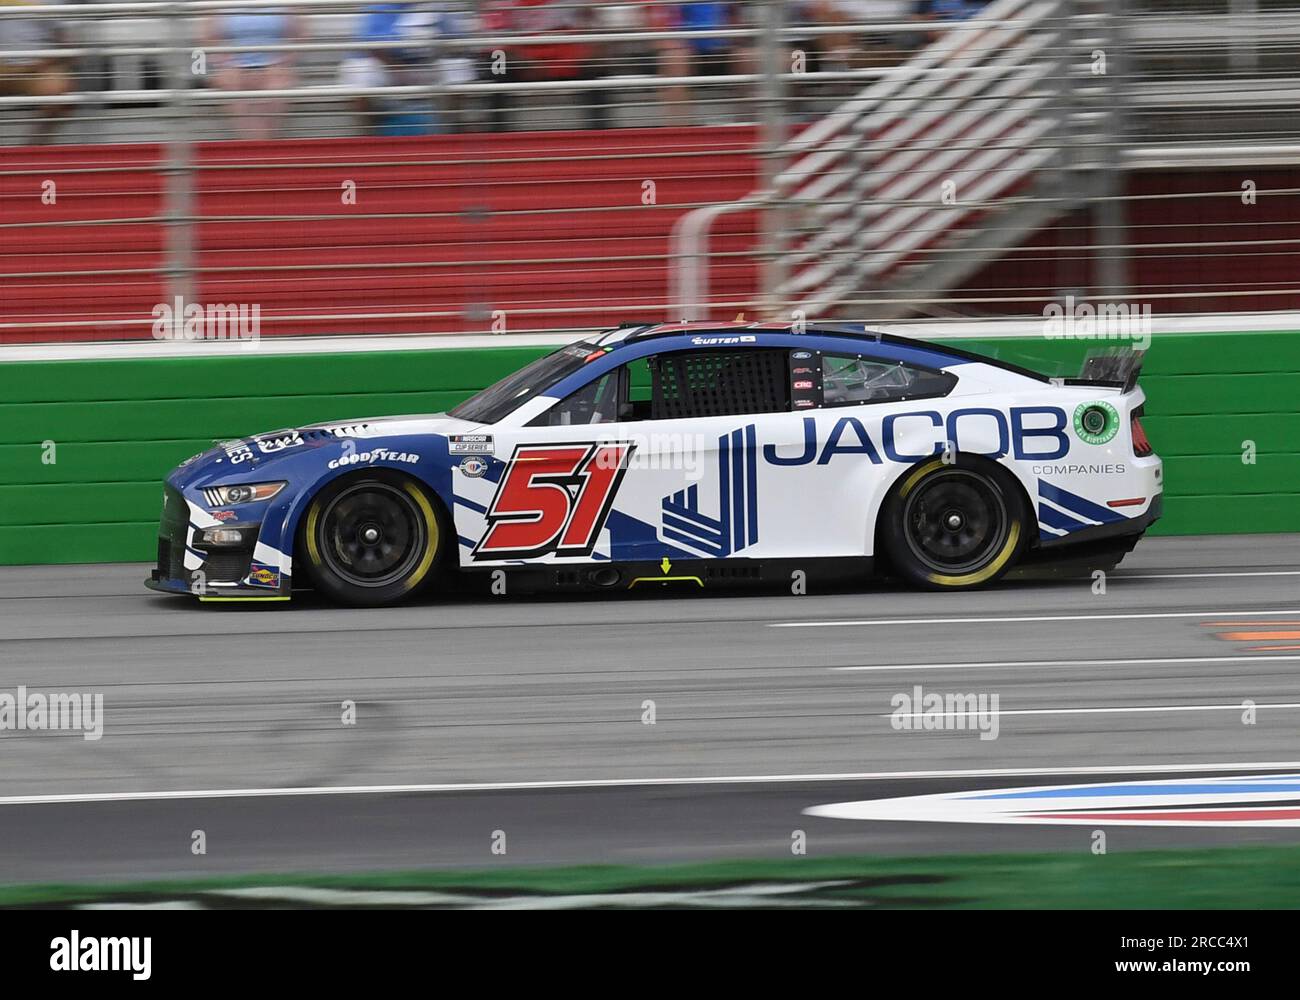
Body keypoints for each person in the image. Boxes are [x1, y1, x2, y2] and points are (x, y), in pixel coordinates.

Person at [204, 7, 305, 140]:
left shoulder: (287, 4)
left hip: (275, 66)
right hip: (234, 67)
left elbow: (300, 37)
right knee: (230, 82)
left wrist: (280, 62)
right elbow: (208, 40)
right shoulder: (218, 5)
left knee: (277, 83)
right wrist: (229, 64)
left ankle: (264, 145)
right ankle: (250, 145)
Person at [0, 0, 72, 144]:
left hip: (36, 69)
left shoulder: (51, 3)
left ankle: (35, 144)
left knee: (58, 90)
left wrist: (43, 62)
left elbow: (67, 44)